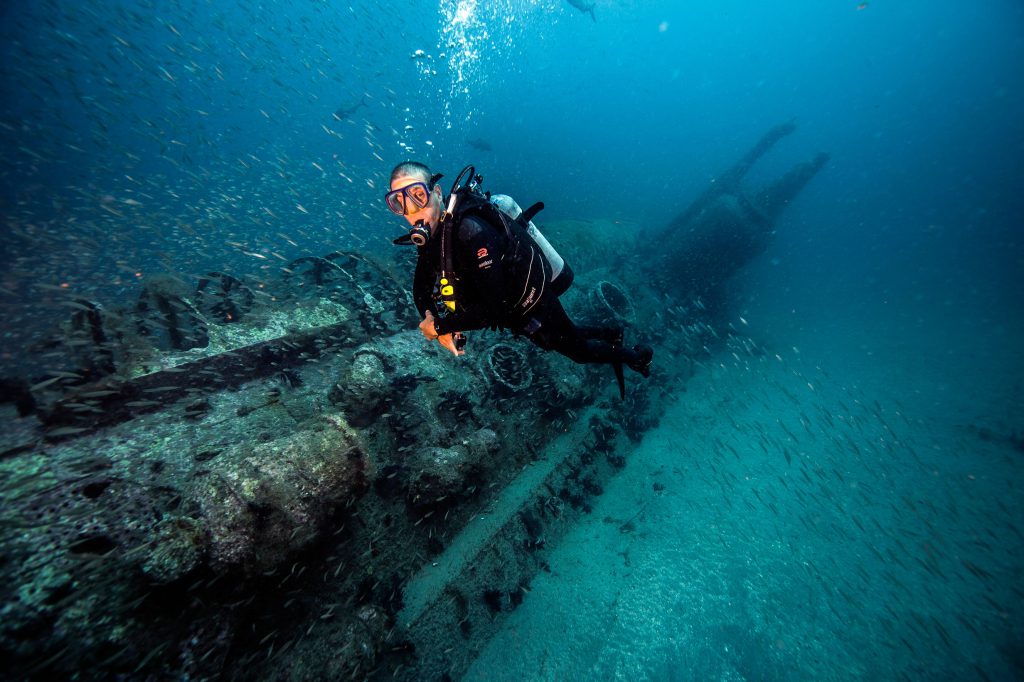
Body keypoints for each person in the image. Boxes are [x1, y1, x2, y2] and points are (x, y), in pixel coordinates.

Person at [385, 161, 653, 397]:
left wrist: (442, 327)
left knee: (578, 352)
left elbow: (494, 308)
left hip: (531, 299)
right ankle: (610, 332)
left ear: (437, 192)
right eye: (399, 202)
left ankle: (637, 357)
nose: (411, 210)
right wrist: (431, 318)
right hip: (514, 310)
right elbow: (420, 287)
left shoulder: (470, 231)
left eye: (418, 195)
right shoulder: (433, 239)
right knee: (564, 336)